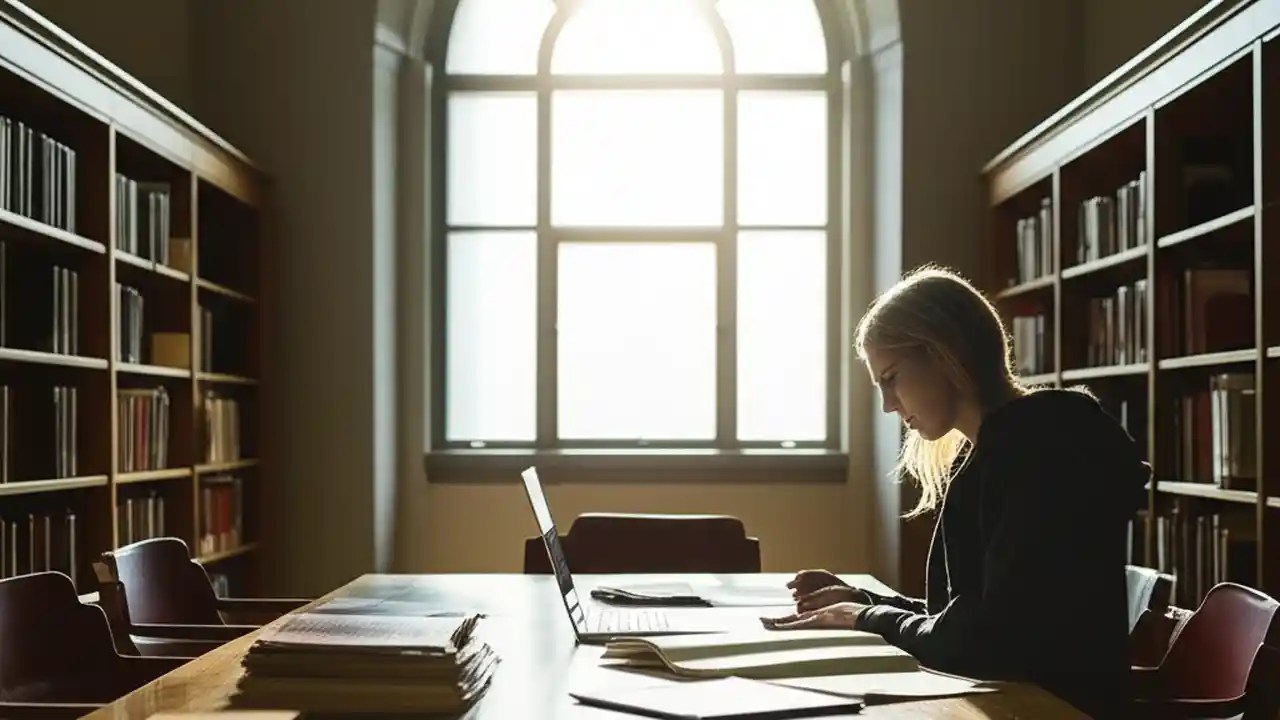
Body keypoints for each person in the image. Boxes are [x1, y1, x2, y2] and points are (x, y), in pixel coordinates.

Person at [763, 265, 1149, 718]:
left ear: (943, 353)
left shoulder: (1035, 456)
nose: (889, 405)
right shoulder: (1009, 446)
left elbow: (981, 643)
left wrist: (865, 618)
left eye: (891, 378)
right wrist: (864, 603)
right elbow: (972, 618)